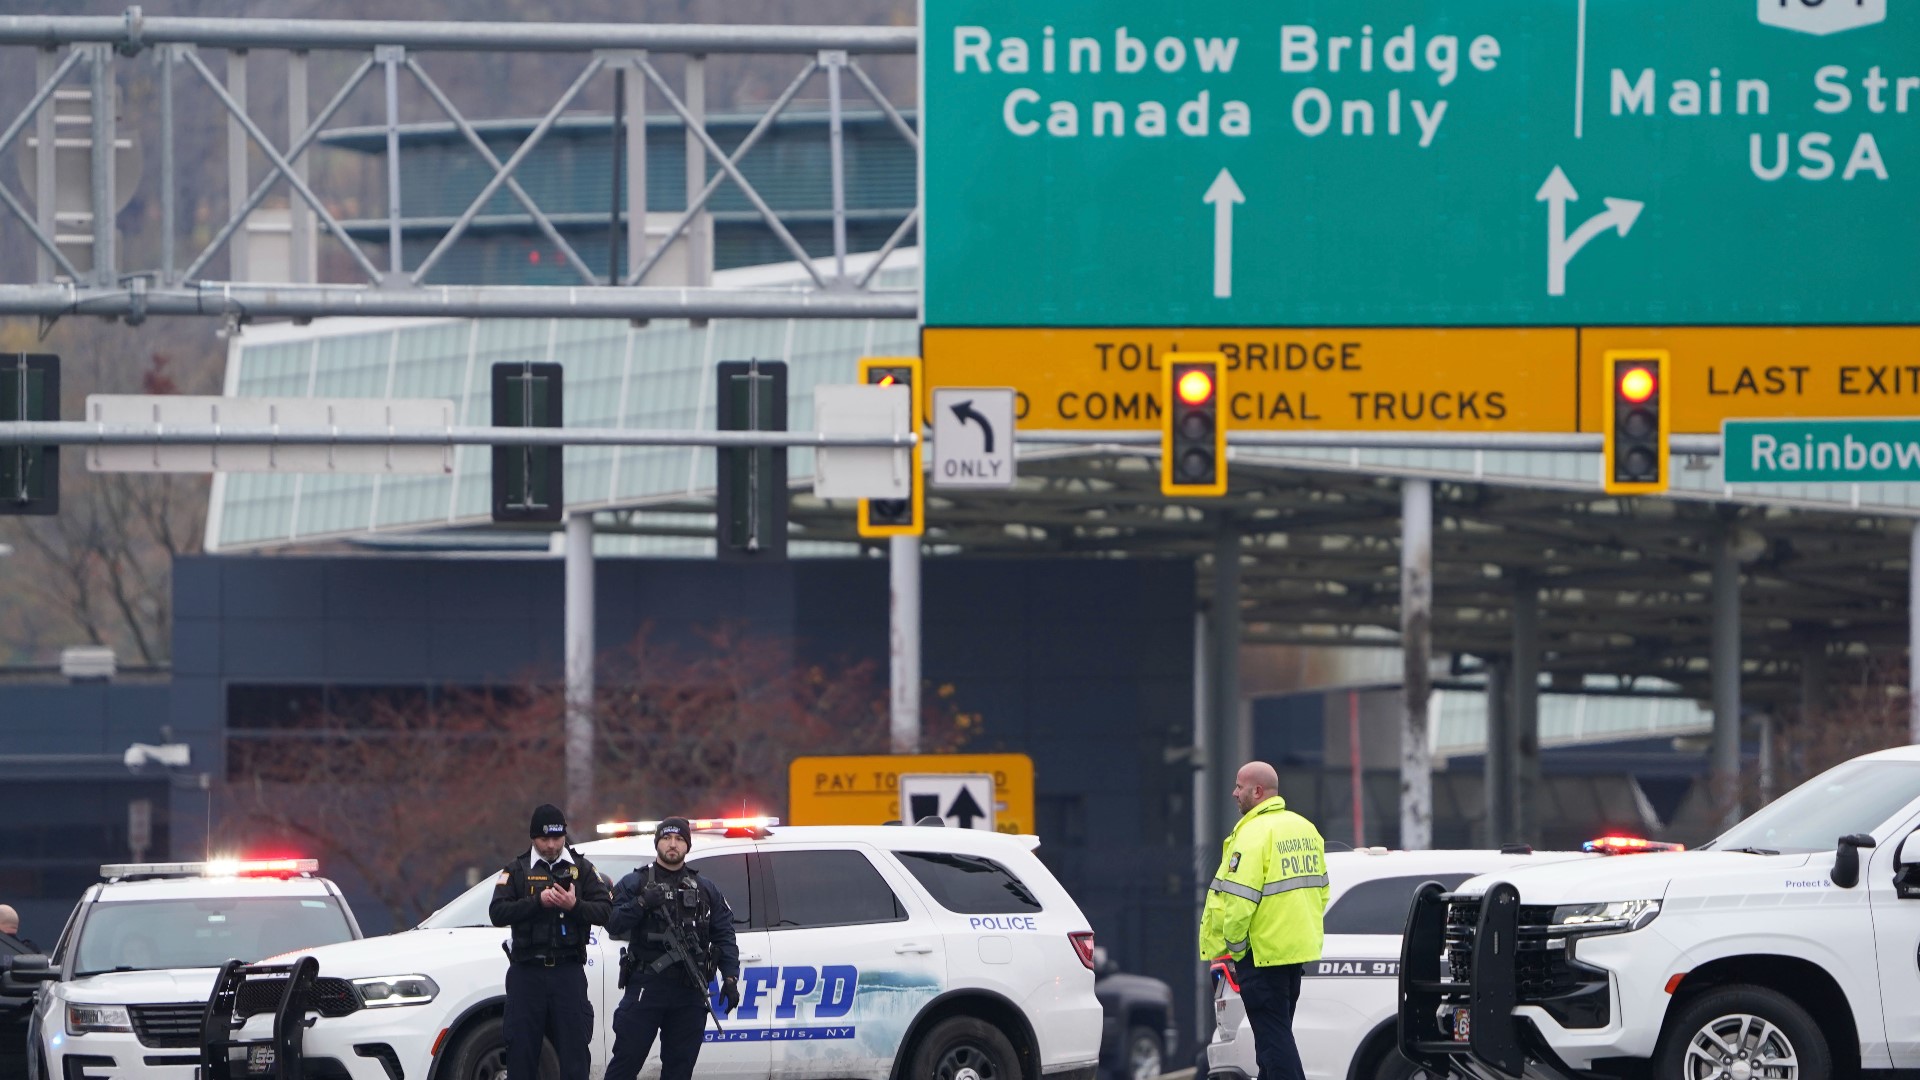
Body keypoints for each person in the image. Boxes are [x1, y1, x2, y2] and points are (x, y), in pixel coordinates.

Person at [1198, 762, 1329, 1080]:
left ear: (1257, 791)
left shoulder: (1253, 834)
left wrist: (1236, 949)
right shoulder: (1305, 829)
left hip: (1260, 954)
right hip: (1292, 954)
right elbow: (1321, 892)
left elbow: (1238, 901)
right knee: (1272, 1039)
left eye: (1239, 786)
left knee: (1273, 1041)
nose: (1234, 793)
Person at [604, 817, 740, 1080]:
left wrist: (731, 978)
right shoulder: (635, 882)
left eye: (679, 839)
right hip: (646, 986)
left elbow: (724, 934)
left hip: (689, 991)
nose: (672, 844)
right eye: (666, 838)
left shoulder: (705, 888)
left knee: (680, 1069)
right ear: (657, 843)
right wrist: (641, 903)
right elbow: (611, 922)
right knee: (626, 1063)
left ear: (687, 846)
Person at [491, 803, 613, 1080]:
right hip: (527, 973)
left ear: (564, 836)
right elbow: (497, 912)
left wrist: (574, 905)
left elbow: (605, 911)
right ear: (533, 837)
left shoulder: (581, 868)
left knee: (575, 1054)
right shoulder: (517, 870)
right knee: (521, 1052)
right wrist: (537, 902)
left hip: (567, 972)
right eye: (544, 839)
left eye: (556, 838)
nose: (550, 845)